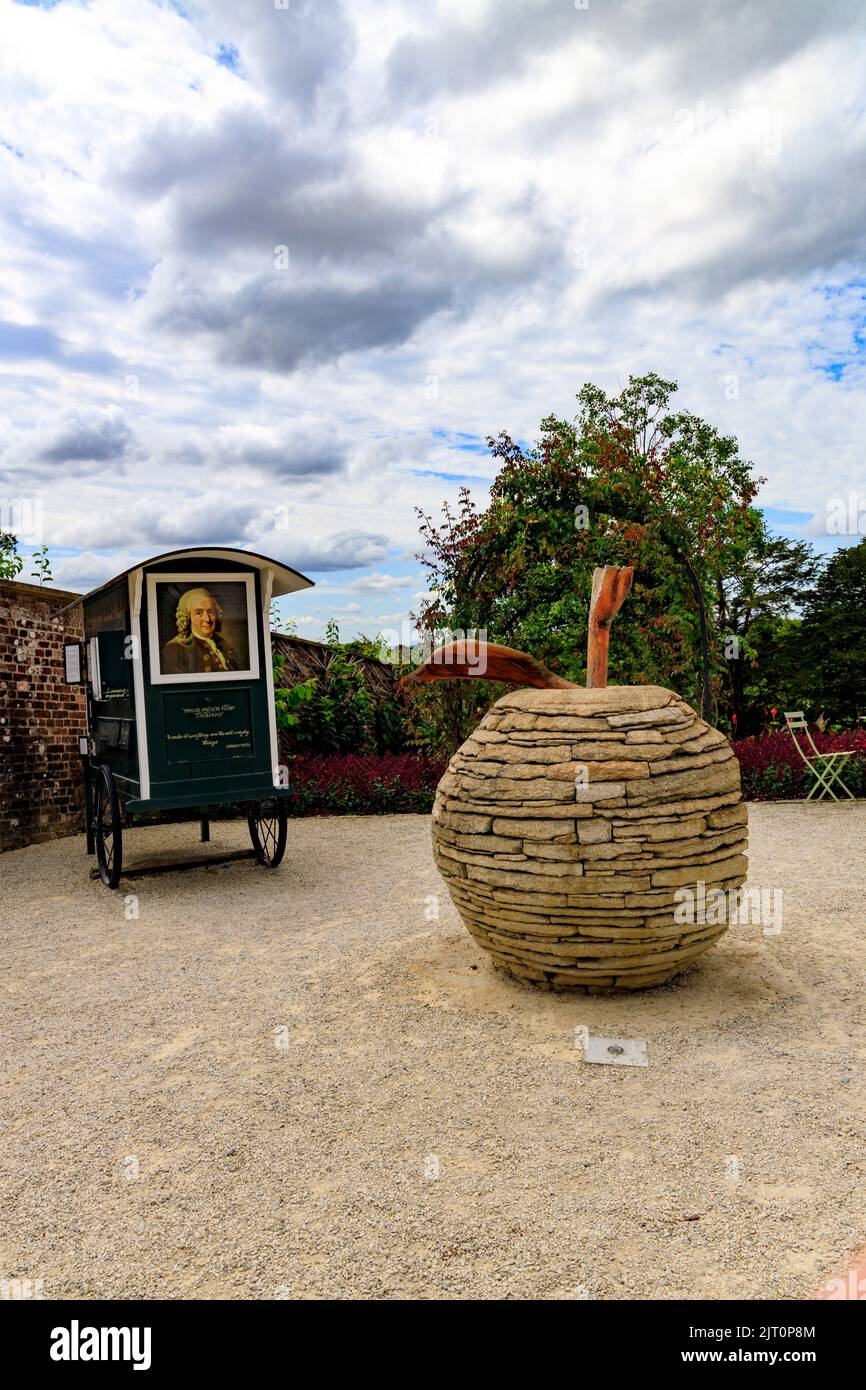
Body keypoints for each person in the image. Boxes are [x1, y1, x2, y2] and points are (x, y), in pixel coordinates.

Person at [160, 587, 239, 674]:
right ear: (188, 617)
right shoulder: (174, 649)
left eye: (211, 612)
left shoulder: (223, 644)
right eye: (198, 613)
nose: (207, 619)